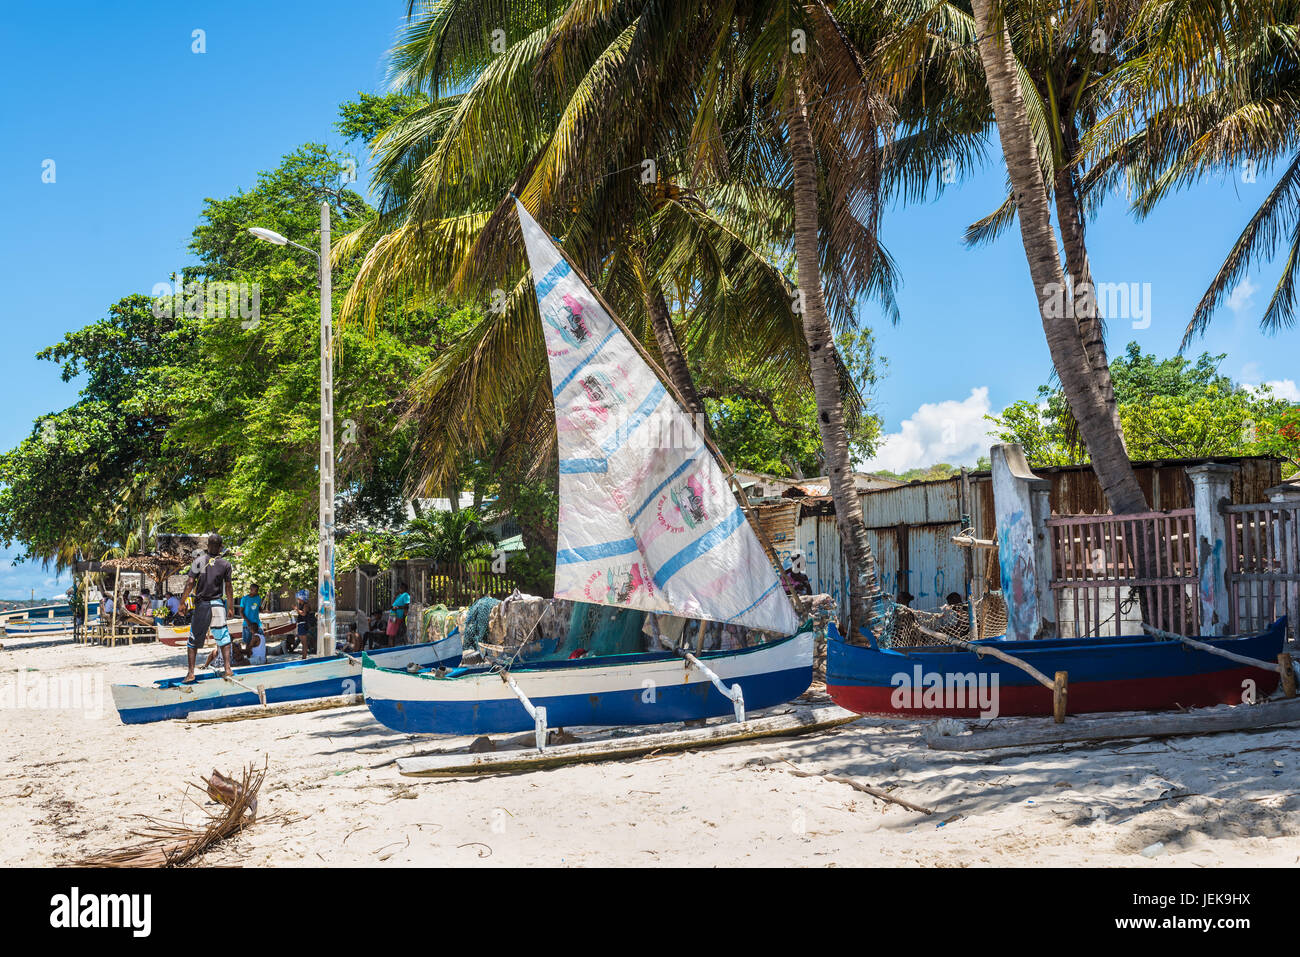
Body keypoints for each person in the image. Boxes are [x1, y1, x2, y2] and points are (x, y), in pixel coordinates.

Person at [180, 533, 236, 684]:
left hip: (203, 605)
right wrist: (230, 607)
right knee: (223, 638)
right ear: (220, 547)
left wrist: (182, 602)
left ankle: (191, 673)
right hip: (218, 604)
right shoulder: (225, 564)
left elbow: (190, 583)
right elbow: (229, 587)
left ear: (207, 546)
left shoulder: (199, 561)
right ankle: (228, 669)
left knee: (193, 641)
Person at [238, 583, 266, 663]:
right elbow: (241, 612)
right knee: (247, 644)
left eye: (258, 590)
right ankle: (248, 660)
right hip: (247, 626)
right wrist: (248, 622)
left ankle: (261, 658)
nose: (257, 592)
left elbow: (259, 609)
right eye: (255, 590)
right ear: (251, 590)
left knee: (261, 640)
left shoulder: (258, 598)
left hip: (257, 624)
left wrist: (264, 611)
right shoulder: (244, 599)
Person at [287, 589, 317, 658]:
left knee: (304, 643)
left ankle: (304, 657)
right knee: (303, 642)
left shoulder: (305, 605)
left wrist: (296, 609)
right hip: (301, 624)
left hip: (303, 625)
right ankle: (304, 656)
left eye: (299, 598)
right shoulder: (301, 604)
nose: (298, 599)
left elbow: (303, 614)